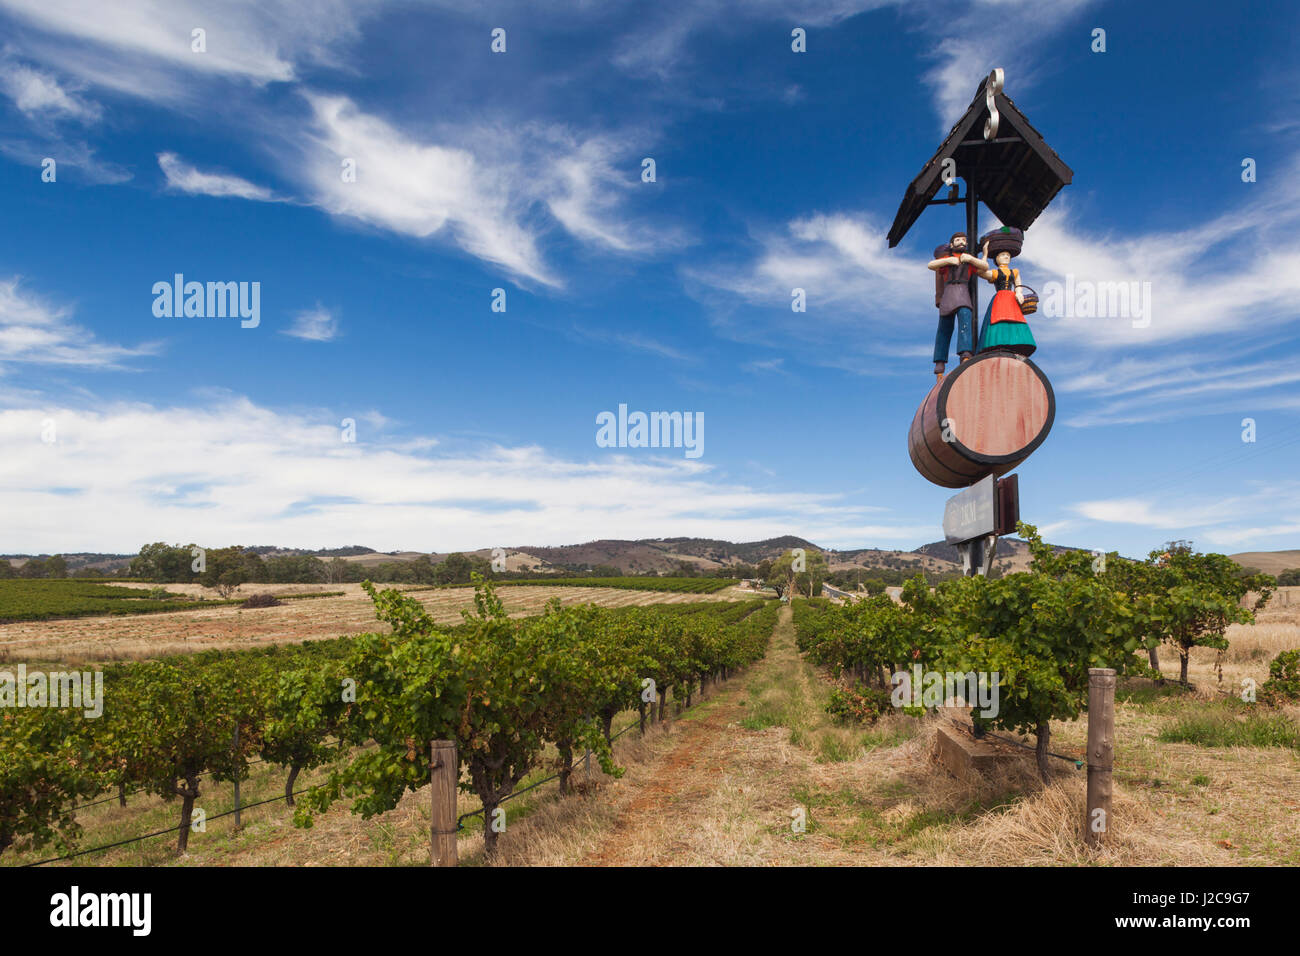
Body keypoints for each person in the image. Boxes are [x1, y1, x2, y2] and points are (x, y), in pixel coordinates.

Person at [927, 232, 987, 384]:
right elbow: (931, 265)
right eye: (957, 240)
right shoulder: (947, 259)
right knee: (944, 329)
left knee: (965, 322)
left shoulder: (968, 261)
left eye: (963, 240)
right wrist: (948, 261)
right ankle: (940, 363)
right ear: (952, 244)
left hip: (963, 293)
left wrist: (974, 257)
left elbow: (984, 267)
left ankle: (965, 354)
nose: (961, 242)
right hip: (948, 294)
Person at [976, 232, 1036, 356]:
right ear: (997, 259)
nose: (1006, 257)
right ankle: (999, 344)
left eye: (1008, 255)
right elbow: (980, 272)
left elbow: (1018, 285)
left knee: (1015, 320)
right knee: (999, 319)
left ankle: (1016, 345)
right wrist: (985, 254)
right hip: (1000, 298)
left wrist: (1019, 292)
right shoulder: (996, 273)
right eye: (1003, 255)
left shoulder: (1015, 272)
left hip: (1012, 299)